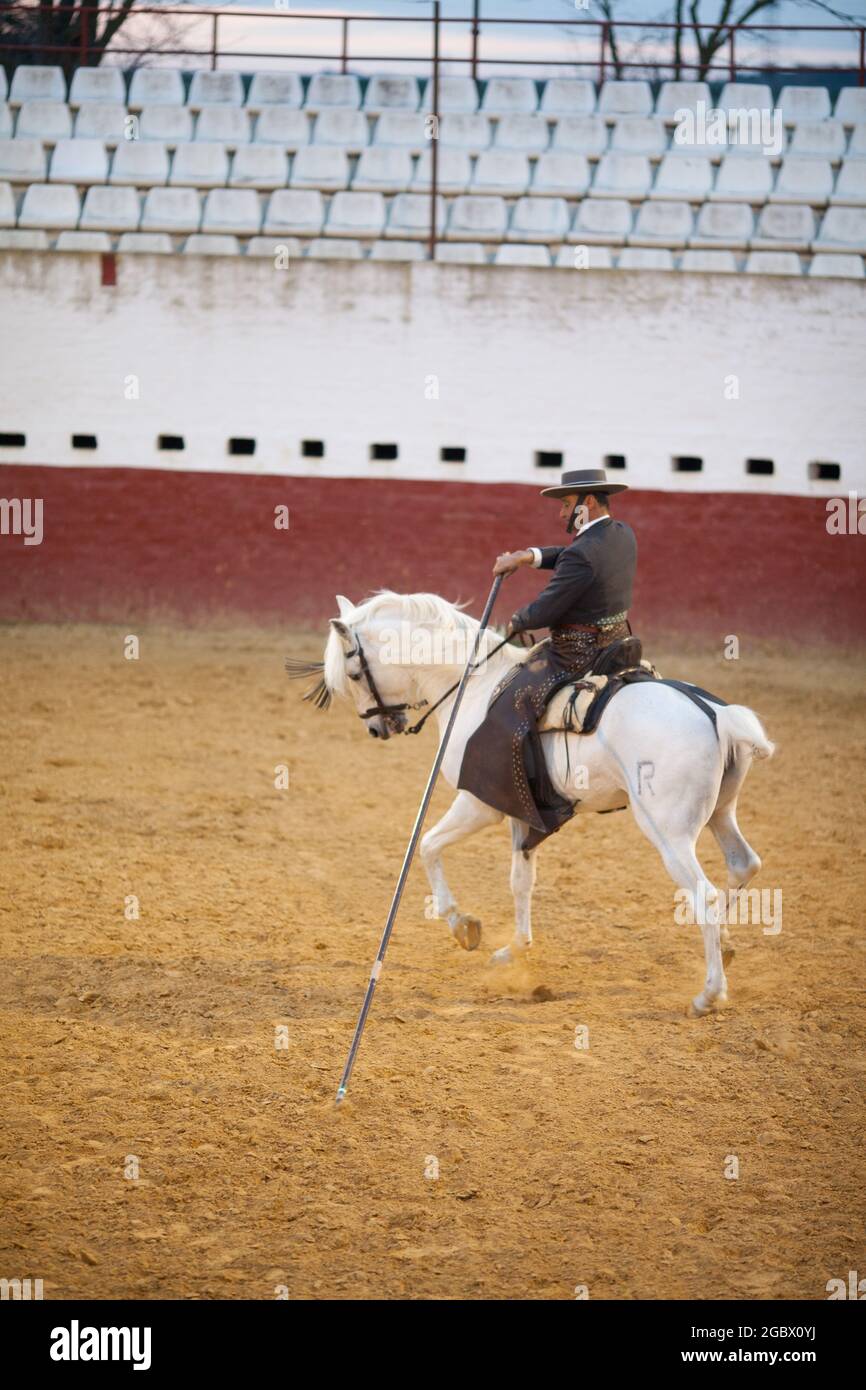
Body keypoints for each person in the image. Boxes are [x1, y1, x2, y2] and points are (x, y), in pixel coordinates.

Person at [457, 467, 637, 851]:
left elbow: (546, 609)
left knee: (511, 701)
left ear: (589, 503)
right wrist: (528, 557)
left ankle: (536, 798)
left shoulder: (583, 554)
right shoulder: (621, 534)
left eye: (567, 504)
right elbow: (570, 555)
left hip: (575, 653)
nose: (562, 513)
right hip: (618, 644)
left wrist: (518, 620)